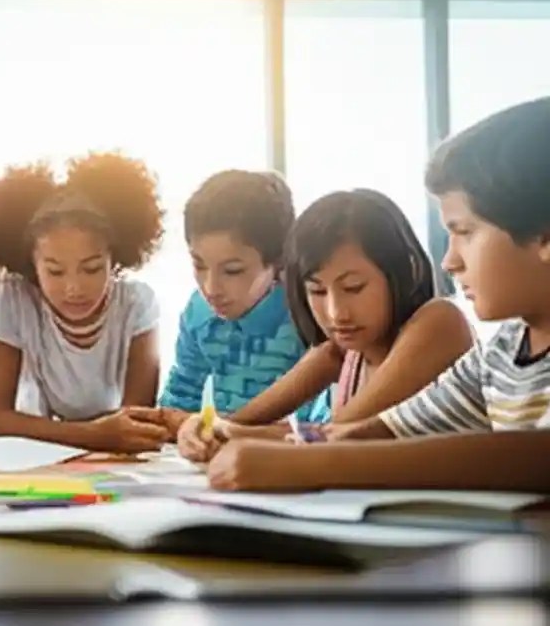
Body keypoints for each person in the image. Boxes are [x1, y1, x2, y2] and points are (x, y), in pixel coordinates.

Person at [207, 97, 550, 494]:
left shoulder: (440, 322)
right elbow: (393, 428)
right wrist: (249, 440)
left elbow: (537, 455)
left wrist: (316, 463)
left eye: (465, 232)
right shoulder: (501, 352)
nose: (449, 261)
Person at [178, 188, 473, 462]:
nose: (336, 313)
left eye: (354, 287)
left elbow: (338, 434)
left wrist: (231, 433)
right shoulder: (341, 352)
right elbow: (236, 422)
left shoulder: (440, 322)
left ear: (406, 270)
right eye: (317, 291)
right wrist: (200, 429)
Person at [0, 152, 168, 453]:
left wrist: (89, 435)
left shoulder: (137, 304)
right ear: (31, 265)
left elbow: (134, 425)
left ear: (115, 259)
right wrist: (93, 435)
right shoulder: (15, 299)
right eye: (55, 271)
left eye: (92, 268)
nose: (74, 288)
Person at [133, 170, 327, 438]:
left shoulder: (309, 313)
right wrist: (182, 429)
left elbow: (314, 427)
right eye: (199, 265)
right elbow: (178, 401)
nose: (211, 288)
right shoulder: (199, 312)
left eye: (233, 270)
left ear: (280, 260)